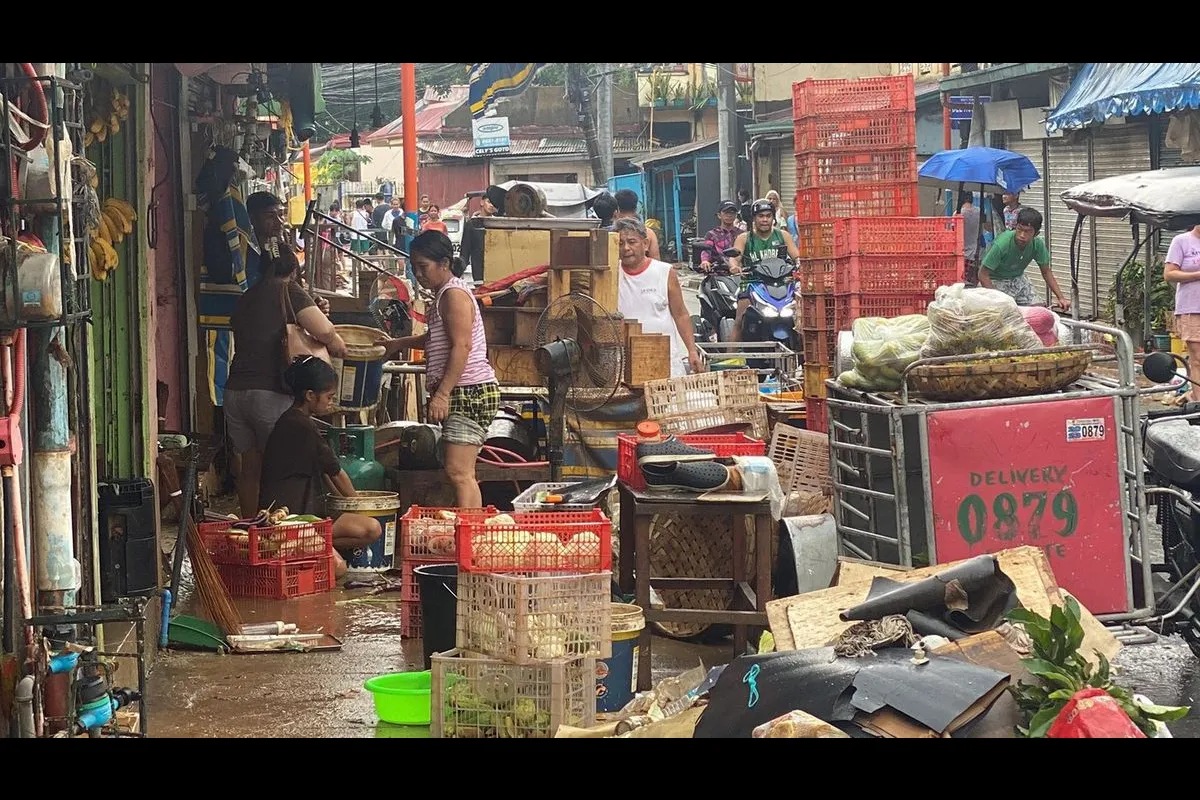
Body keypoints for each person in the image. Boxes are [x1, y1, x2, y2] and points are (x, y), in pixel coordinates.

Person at [224, 192, 348, 519]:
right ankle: (275, 533)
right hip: (269, 392)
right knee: (278, 467)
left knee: (250, 465)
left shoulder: (246, 297)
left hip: (236, 393)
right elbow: (326, 334)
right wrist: (340, 347)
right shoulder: (288, 290)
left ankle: (249, 528)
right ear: (292, 269)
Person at [377, 231, 498, 507]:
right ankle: (469, 532)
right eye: (415, 266)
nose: (419, 273)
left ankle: (470, 539)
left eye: (424, 267)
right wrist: (399, 343)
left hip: (469, 391)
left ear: (444, 263)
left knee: (460, 472)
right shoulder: (444, 294)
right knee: (461, 472)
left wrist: (442, 393)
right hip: (465, 390)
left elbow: (461, 346)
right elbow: (438, 338)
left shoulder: (453, 295)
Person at [259, 356, 383, 578]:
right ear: (309, 396)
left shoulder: (294, 420)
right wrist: (358, 505)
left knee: (371, 528)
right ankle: (307, 554)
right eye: (328, 397)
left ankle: (317, 548)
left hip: (313, 513)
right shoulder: (301, 427)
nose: (330, 402)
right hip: (291, 519)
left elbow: (326, 473)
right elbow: (336, 473)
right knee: (339, 569)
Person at [614, 218, 702, 377]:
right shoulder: (612, 274)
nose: (626, 248)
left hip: (665, 359)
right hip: (625, 362)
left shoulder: (665, 272)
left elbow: (681, 314)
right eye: (620, 243)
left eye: (632, 242)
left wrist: (692, 350)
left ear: (645, 244)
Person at [730, 198, 800, 341]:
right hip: (752, 284)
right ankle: (732, 355)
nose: (765, 220)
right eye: (761, 216)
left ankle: (806, 354)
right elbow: (735, 257)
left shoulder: (783, 235)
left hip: (781, 285)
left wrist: (800, 264)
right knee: (739, 318)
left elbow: (797, 256)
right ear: (754, 219)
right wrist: (734, 266)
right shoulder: (744, 238)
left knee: (801, 315)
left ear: (773, 218)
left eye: (768, 216)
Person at [979, 207, 1070, 311]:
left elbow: (1046, 272)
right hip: (996, 280)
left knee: (1039, 310)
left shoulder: (1037, 244)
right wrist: (995, 298)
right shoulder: (1002, 244)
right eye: (1019, 229)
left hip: (1018, 278)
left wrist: (1061, 298)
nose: (1022, 235)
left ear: (1036, 234)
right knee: (1006, 313)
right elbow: (982, 274)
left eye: (1027, 231)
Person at [1164, 224, 1200, 401]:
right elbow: (1169, 274)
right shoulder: (1182, 241)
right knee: (1198, 358)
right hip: (1192, 308)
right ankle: (1199, 403)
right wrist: (1197, 275)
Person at [461, 186, 504, 285]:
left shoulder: (499, 224)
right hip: (478, 270)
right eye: (489, 202)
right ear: (482, 202)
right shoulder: (472, 224)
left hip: (497, 269)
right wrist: (460, 270)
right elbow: (465, 250)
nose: (491, 205)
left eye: (494, 203)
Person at [613, 188, 660, 260]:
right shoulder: (649, 233)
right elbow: (656, 261)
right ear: (636, 208)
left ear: (617, 209)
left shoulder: (611, 233)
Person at [700, 200, 742, 270]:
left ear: (736, 215)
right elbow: (706, 250)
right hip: (718, 271)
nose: (729, 215)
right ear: (719, 215)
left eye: (732, 212)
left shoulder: (742, 234)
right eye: (726, 212)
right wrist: (705, 261)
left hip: (740, 271)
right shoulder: (712, 234)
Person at [959, 192, 981, 287]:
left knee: (962, 284)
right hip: (975, 253)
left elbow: (953, 230)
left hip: (962, 254)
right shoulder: (979, 211)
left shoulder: (959, 213)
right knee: (973, 284)